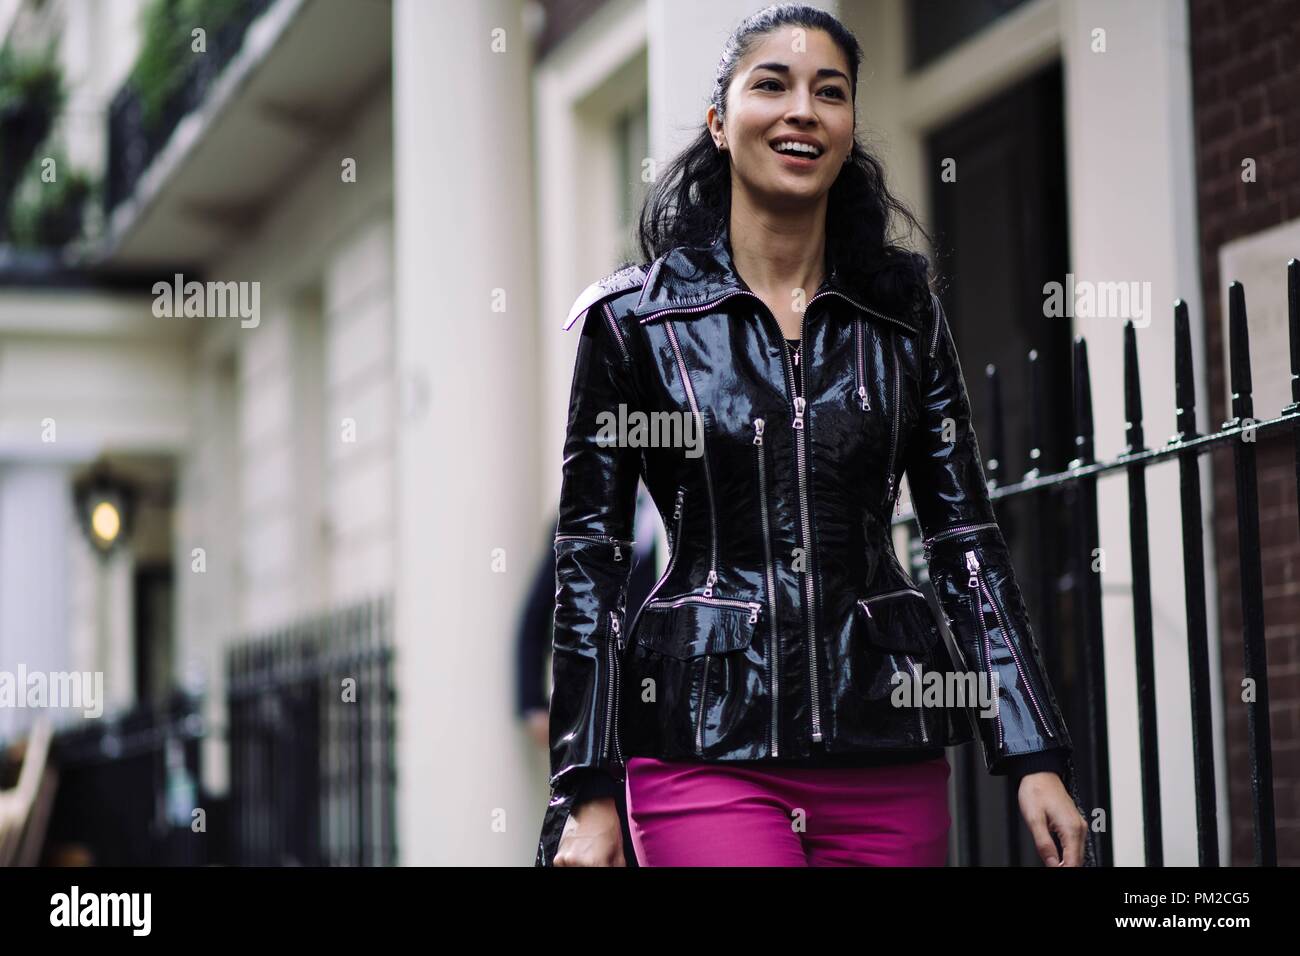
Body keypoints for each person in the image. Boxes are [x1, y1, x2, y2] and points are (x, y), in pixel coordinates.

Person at [537, 3, 1090, 868]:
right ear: (720, 122)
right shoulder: (636, 324)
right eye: (773, 85)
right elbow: (589, 564)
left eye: (829, 93)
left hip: (888, 743)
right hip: (702, 748)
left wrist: (1033, 751)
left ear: (848, 128)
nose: (803, 109)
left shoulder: (904, 317)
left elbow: (963, 539)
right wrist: (587, 788)